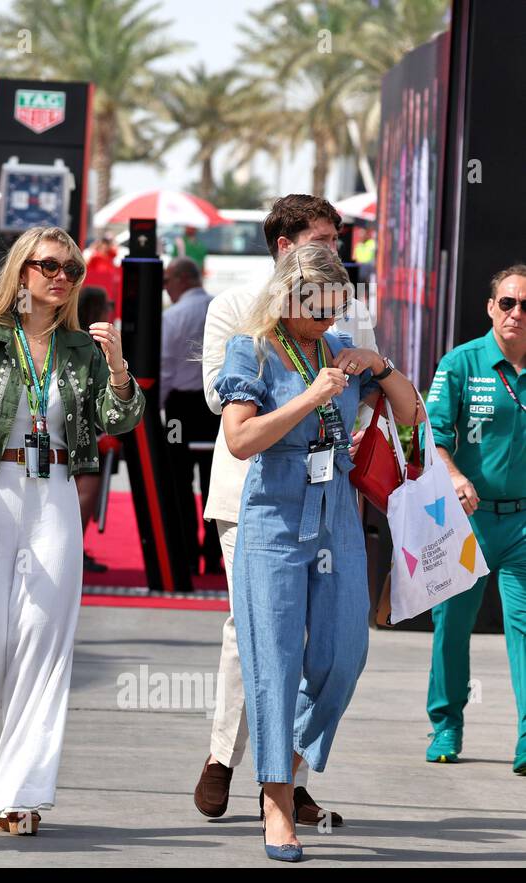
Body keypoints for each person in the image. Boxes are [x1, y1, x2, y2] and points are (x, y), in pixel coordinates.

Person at [0, 226, 144, 834]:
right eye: (48, 266)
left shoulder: (82, 350)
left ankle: (18, 792)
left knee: (44, 644)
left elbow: (117, 422)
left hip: (56, 495)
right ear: (22, 272)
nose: (60, 277)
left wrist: (120, 369)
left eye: (71, 269)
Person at [215, 243, 421, 861]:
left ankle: (291, 752)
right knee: (273, 662)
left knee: (345, 655)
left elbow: (410, 416)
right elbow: (240, 440)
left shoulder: (338, 352)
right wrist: (309, 398)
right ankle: (277, 801)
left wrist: (379, 367)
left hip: (336, 516)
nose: (327, 322)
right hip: (273, 513)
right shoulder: (251, 350)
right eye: (317, 310)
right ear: (286, 298)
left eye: (336, 310)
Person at [193, 193, 377, 823]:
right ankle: (225, 756)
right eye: (321, 239)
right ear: (284, 246)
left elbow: (366, 391)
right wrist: (305, 401)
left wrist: (354, 419)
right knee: (254, 638)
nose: (333, 250)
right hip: (254, 493)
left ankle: (288, 777)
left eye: (336, 239)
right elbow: (228, 409)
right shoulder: (235, 310)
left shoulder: (344, 306)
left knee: (324, 642)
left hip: (327, 497)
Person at [424, 264, 526, 773]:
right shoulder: (461, 363)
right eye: (507, 303)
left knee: (524, 629)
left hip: (524, 526)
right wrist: (456, 476)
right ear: (491, 307)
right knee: (451, 626)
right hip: (468, 520)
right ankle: (446, 724)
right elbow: (432, 436)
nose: (517, 313)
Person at [160, 256, 221, 574]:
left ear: (182, 279)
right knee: (215, 481)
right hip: (215, 406)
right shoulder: (218, 309)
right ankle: (213, 554)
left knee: (178, 482)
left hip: (180, 409)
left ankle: (183, 550)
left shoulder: (173, 317)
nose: (166, 289)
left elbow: (165, 370)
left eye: (167, 282)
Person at [75, 286, 110, 574]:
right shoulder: (94, 343)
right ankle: (74, 545)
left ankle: (73, 545)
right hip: (87, 428)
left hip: (78, 426)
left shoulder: (74, 339)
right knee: (87, 487)